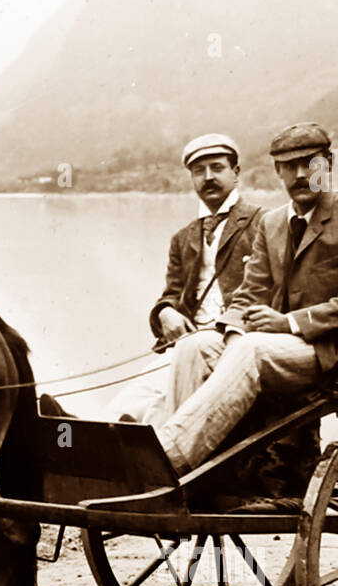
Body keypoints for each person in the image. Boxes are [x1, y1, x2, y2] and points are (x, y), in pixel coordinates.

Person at [155, 122, 338, 475]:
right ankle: (192, 470)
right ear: (277, 171)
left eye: (309, 163)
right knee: (195, 345)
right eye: (289, 166)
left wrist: (289, 323)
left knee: (252, 350)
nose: (300, 174)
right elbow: (250, 293)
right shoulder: (274, 223)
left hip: (335, 353)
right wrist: (232, 332)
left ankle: (168, 460)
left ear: (327, 164)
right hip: (279, 349)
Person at [101, 133, 262, 422]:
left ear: (236, 173)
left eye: (217, 168)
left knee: (160, 409)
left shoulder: (263, 223)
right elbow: (171, 293)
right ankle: (86, 437)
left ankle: (151, 453)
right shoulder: (183, 238)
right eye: (199, 171)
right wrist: (165, 312)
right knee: (130, 398)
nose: (208, 177)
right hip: (185, 344)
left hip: (234, 344)